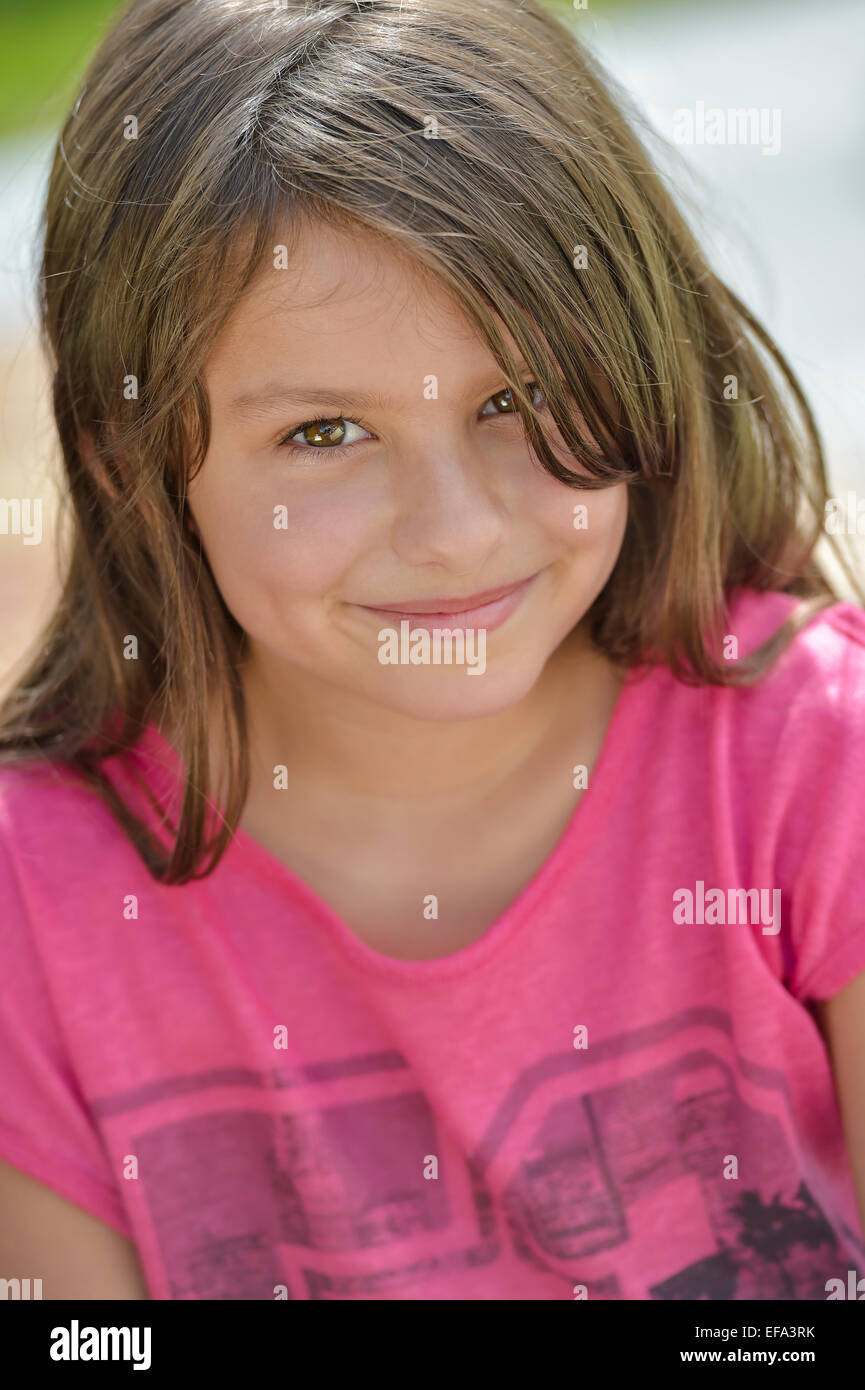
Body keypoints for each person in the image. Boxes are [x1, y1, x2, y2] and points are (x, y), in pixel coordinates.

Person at [1, 0, 863, 1302]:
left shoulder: (816, 766)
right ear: (135, 465)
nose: (455, 533)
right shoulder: (32, 910)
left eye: (515, 400)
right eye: (324, 433)